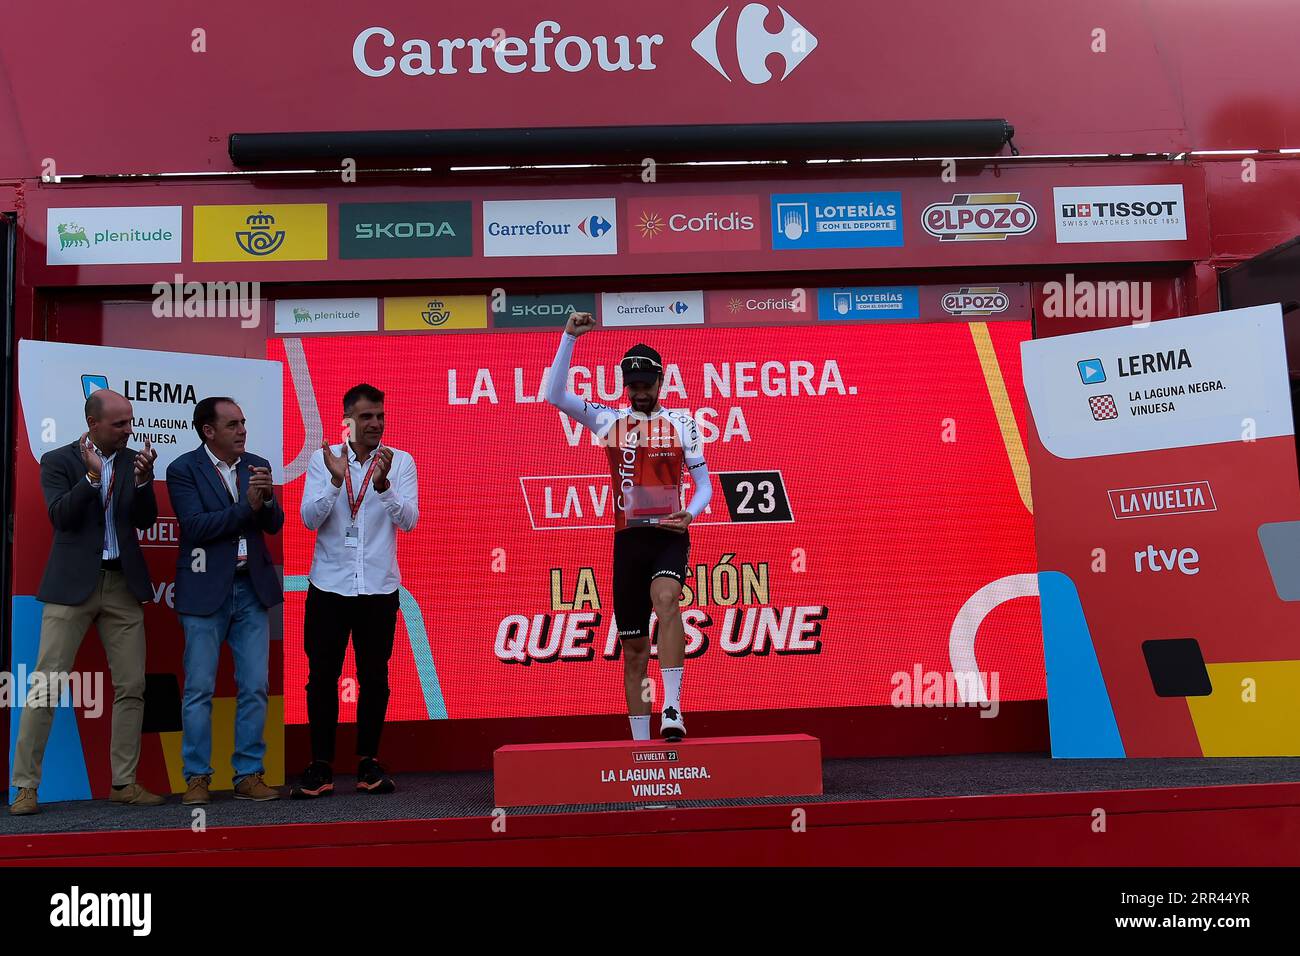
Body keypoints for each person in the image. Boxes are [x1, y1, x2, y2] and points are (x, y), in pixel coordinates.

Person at [544, 311, 712, 742]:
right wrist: (568, 338)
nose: (639, 392)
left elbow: (705, 486)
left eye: (646, 385)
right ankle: (640, 744)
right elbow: (554, 394)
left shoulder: (684, 424)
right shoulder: (607, 421)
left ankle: (672, 708)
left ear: (660, 383)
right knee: (634, 650)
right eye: (632, 386)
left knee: (667, 598)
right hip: (627, 541)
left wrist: (690, 513)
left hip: (669, 535)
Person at [10, 389, 165, 814]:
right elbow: (60, 517)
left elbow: (146, 520)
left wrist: (145, 482)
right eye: (120, 423)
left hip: (123, 585)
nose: (129, 430)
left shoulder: (134, 459)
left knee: (132, 686)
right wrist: (92, 479)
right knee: (45, 684)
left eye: (131, 421)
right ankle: (24, 787)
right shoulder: (59, 461)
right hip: (71, 586)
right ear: (93, 424)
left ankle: (124, 782)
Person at [291, 384, 418, 799]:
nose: (376, 424)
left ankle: (368, 763)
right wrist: (333, 480)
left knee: (375, 678)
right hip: (328, 586)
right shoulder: (321, 459)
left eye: (380, 416)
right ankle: (320, 766)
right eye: (366, 417)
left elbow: (410, 521)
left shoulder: (400, 462)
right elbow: (309, 520)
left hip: (379, 589)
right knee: (321, 678)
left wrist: (382, 486)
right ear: (347, 421)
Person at [167, 397, 284, 804]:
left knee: (254, 685)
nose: (242, 431)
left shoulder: (256, 464)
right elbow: (197, 528)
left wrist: (267, 501)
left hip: (251, 590)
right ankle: (197, 777)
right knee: (199, 688)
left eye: (243, 422)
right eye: (232, 424)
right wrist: (245, 507)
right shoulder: (183, 469)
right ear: (208, 431)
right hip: (204, 591)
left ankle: (248, 774)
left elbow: (273, 524)